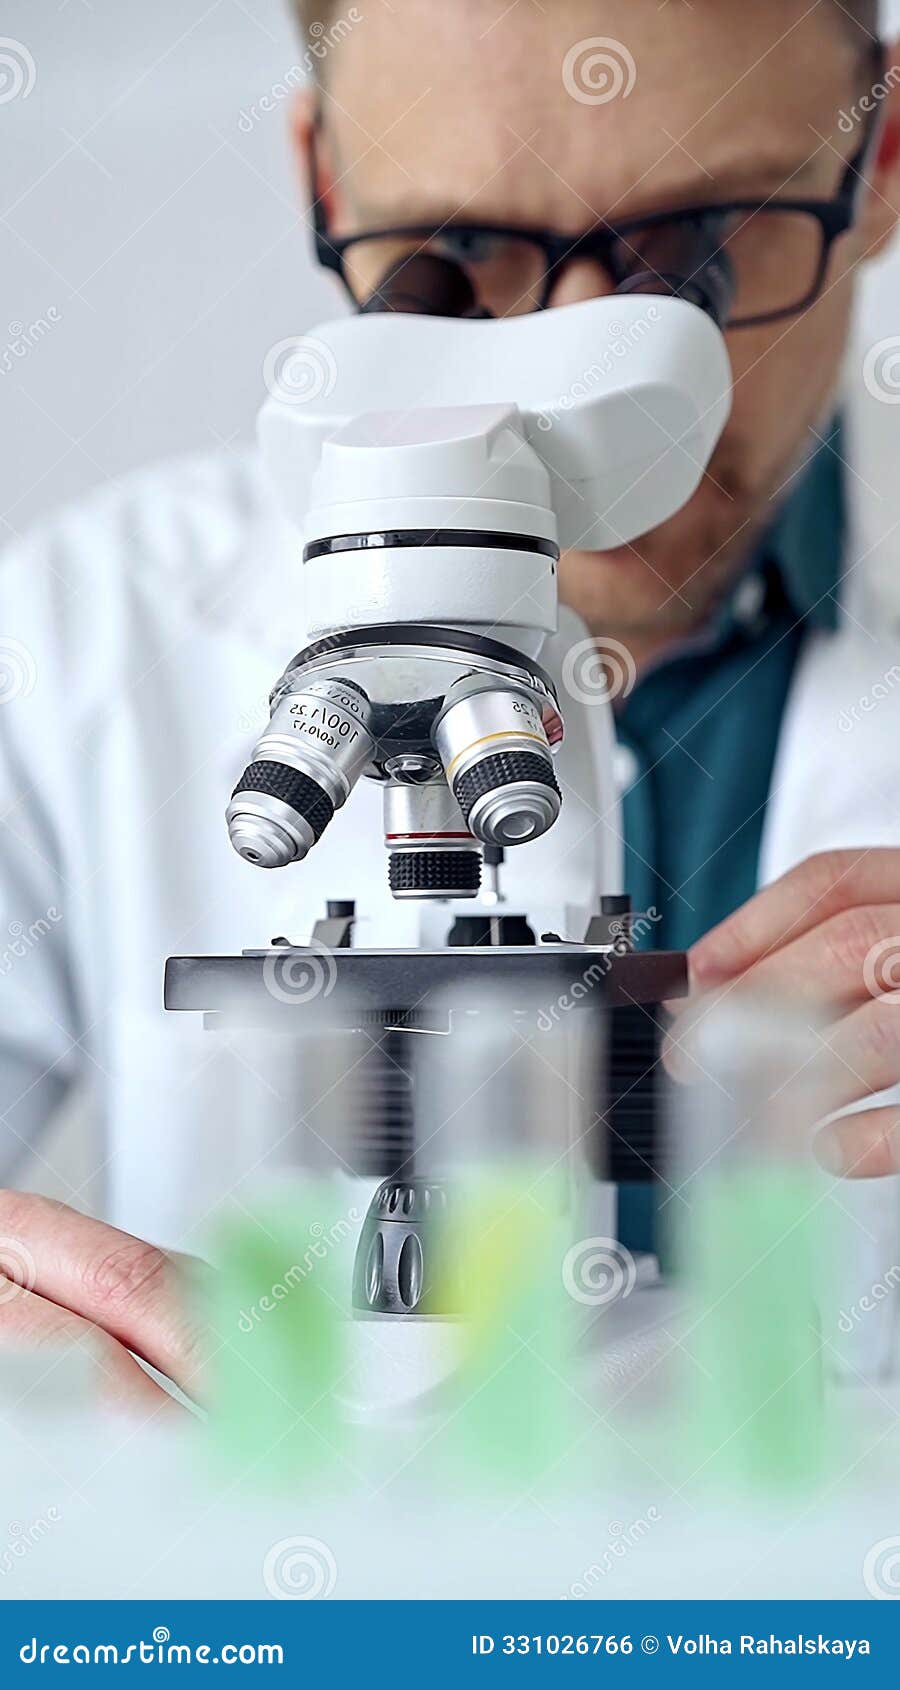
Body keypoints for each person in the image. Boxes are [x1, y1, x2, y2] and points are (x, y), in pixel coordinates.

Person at [1, 0, 899, 1394]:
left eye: (694, 251)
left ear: (881, 155)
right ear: (327, 188)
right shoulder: (66, 638)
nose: (574, 352)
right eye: (461, 254)